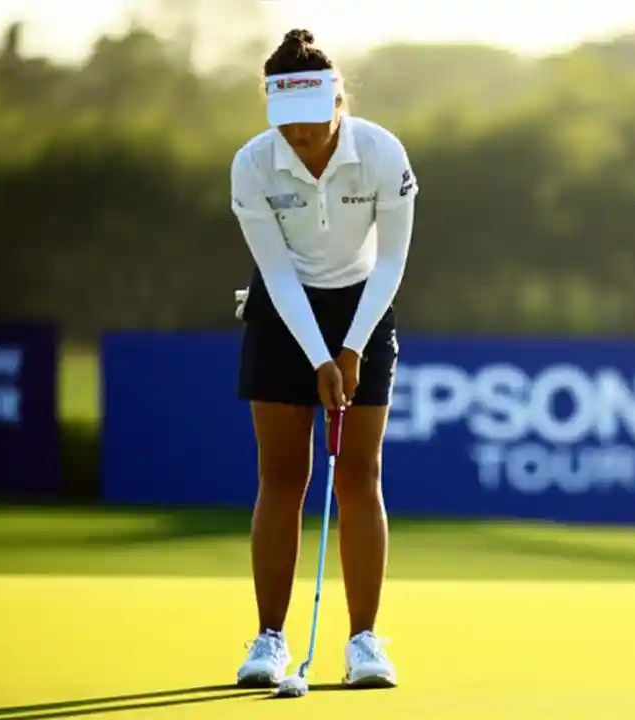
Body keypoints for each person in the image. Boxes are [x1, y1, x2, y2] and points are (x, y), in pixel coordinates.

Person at [229, 29, 417, 689]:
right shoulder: (253, 164)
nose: (301, 141)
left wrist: (352, 347)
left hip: (363, 307)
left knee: (360, 476)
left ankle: (365, 641)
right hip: (283, 318)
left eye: (313, 125)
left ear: (339, 101)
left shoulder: (382, 154)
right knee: (282, 478)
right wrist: (318, 356)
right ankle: (269, 639)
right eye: (288, 129)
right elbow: (276, 274)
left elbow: (391, 260)